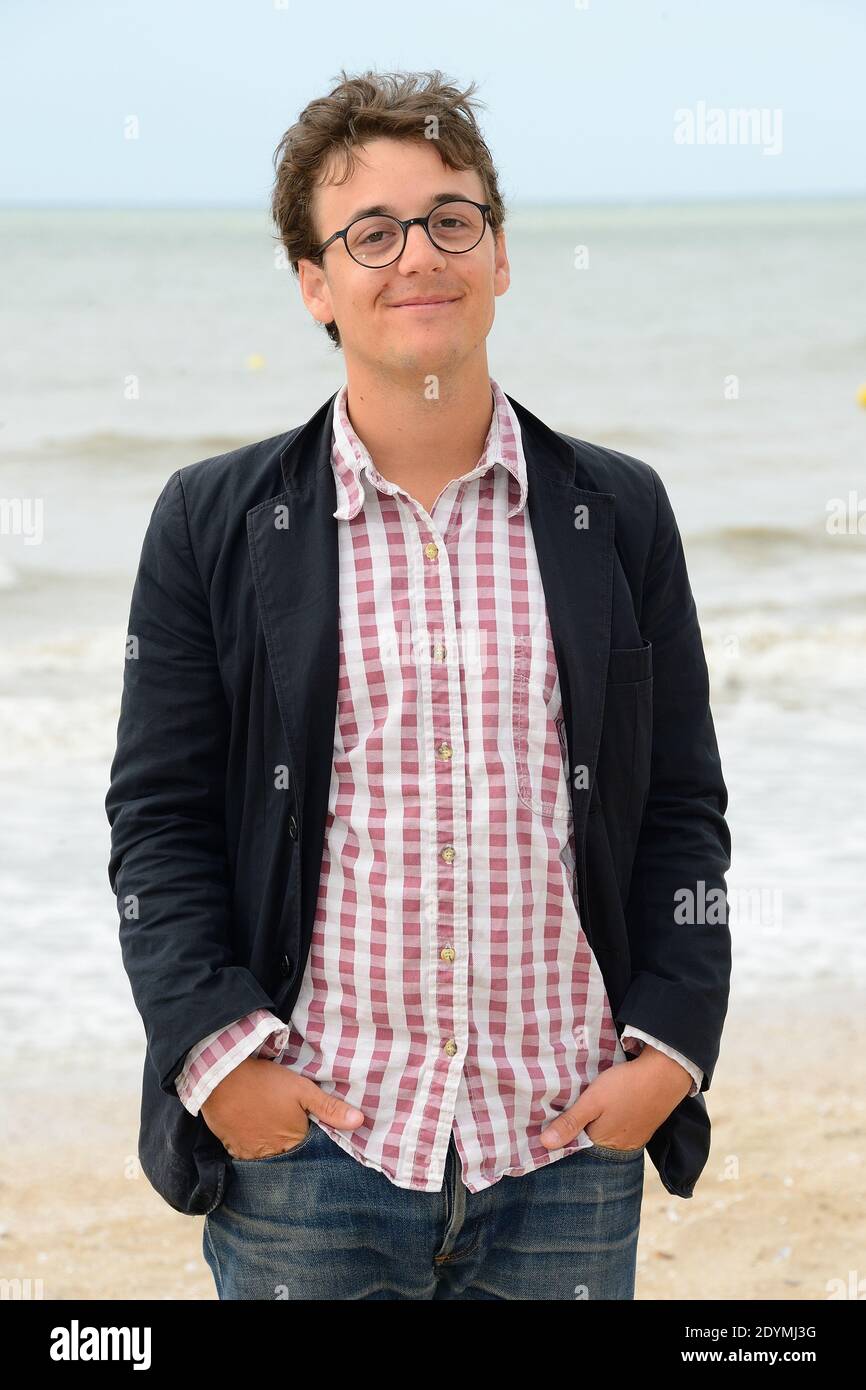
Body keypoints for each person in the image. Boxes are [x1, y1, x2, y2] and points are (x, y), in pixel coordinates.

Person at [105, 68, 731, 1301]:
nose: (418, 257)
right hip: (314, 1149)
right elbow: (158, 822)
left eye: (451, 219)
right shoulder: (210, 521)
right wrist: (219, 1059)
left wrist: (670, 1049)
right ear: (313, 284)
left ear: (498, 255)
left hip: (560, 1140)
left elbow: (679, 805)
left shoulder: (618, 513)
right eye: (370, 233)